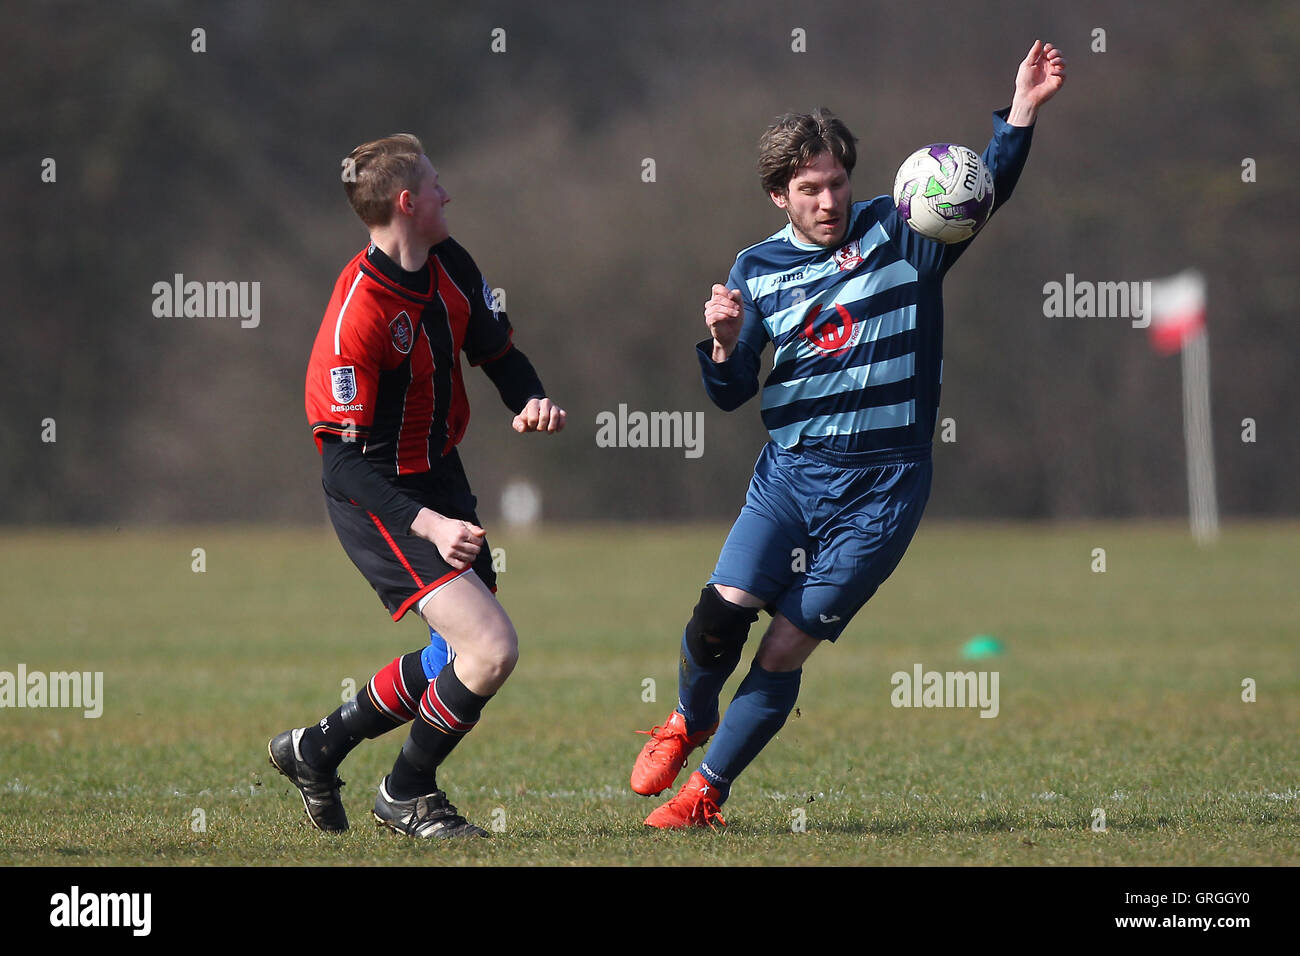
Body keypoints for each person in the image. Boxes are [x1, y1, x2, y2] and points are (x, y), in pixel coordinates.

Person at [631, 41, 1065, 828]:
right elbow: (730, 395)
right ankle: (689, 718)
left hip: (885, 488)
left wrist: (1022, 112)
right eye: (808, 189)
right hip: (791, 476)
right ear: (778, 195)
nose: (828, 201)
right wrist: (726, 343)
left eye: (836, 183)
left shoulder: (903, 235)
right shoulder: (755, 269)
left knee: (784, 647)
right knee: (719, 614)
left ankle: (707, 792)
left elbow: (979, 192)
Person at [269, 133, 565, 838]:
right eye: (435, 184)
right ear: (407, 203)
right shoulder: (358, 314)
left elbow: (498, 351)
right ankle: (406, 791)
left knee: (452, 655)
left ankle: (319, 747)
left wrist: (528, 397)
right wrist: (426, 523)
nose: (447, 194)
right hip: (377, 497)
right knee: (491, 649)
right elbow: (340, 463)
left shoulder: (451, 263)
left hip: (439, 476)